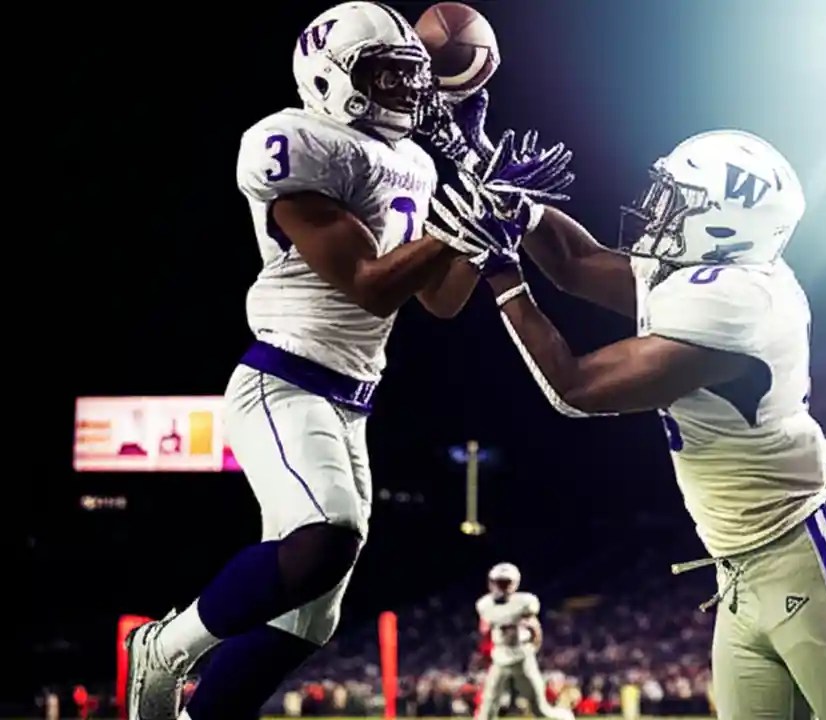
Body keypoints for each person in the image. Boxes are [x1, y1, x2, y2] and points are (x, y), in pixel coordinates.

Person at [123, 3, 561, 717]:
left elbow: (440, 299)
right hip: (284, 377)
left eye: (413, 76)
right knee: (322, 542)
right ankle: (166, 648)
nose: (410, 92)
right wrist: (466, 211)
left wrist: (493, 212)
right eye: (388, 75)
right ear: (330, 80)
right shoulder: (297, 142)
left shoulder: (414, 164)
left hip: (351, 399)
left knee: (310, 618)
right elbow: (368, 283)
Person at [438, 125, 826, 719]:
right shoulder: (715, 274)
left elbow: (576, 388)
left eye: (679, 199)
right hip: (738, 577)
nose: (657, 208)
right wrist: (519, 210)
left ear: (726, 224)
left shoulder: (738, 303)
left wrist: (502, 275)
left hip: (805, 564)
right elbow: (576, 263)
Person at [474, 563, 574, 720]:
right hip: (500, 658)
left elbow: (535, 628)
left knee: (540, 710)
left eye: (505, 583)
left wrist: (532, 645)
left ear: (514, 583)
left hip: (522, 659)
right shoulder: (485, 604)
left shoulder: (524, 602)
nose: (501, 587)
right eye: (499, 582)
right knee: (487, 706)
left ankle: (566, 717)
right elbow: (484, 628)